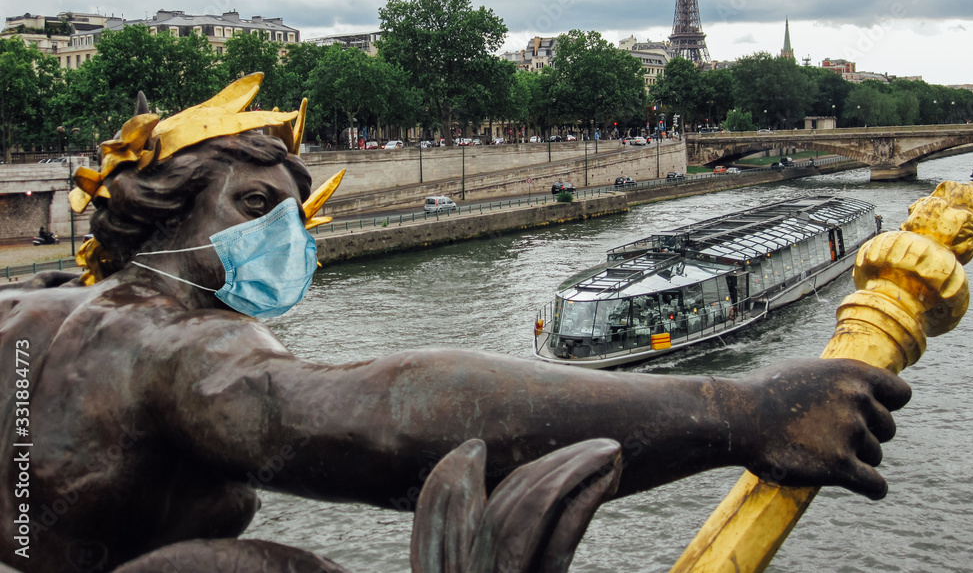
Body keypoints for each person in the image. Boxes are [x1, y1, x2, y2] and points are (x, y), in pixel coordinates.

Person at [0, 77, 910, 573]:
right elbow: (380, 419)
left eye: (296, 219)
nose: (284, 236)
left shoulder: (27, 316)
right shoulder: (177, 342)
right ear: (163, 207)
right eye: (254, 204)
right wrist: (736, 411)